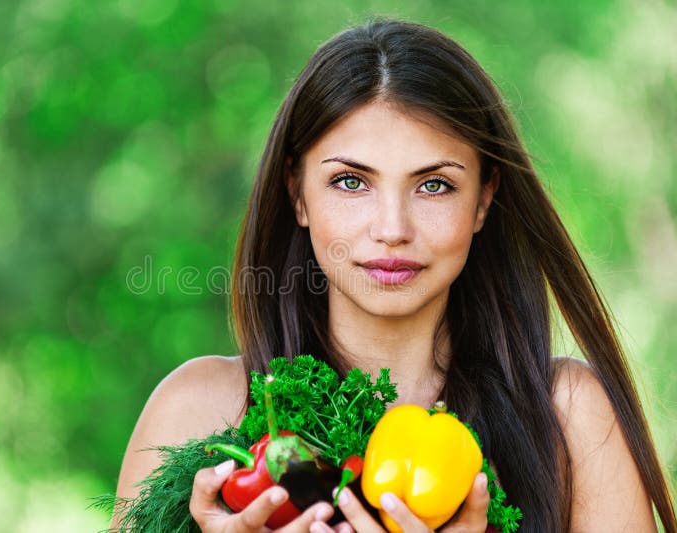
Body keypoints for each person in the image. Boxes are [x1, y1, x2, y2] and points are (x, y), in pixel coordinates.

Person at [112, 19, 676, 532]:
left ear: (484, 200)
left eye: (434, 185)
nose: (392, 229)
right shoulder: (195, 409)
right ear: (297, 192)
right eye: (351, 182)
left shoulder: (570, 417)